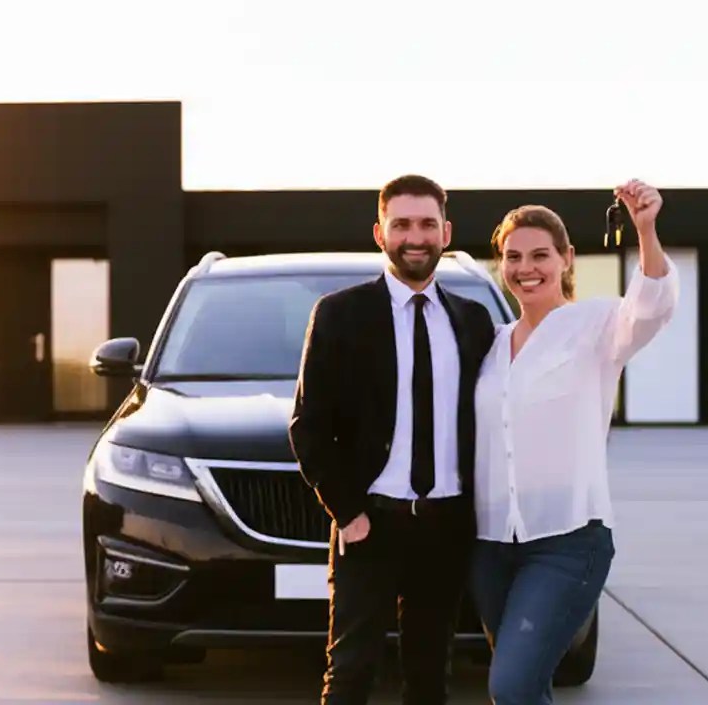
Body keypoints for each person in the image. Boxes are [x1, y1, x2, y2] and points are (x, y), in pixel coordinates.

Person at [290, 174, 497, 705]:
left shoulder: (473, 322)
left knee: (430, 679)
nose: (415, 236)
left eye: (427, 224)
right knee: (351, 674)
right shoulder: (339, 315)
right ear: (379, 233)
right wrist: (348, 513)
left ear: (446, 232)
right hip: (370, 525)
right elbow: (309, 425)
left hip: (446, 527)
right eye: (401, 224)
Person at [470, 180, 678, 704]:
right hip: (491, 545)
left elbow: (651, 304)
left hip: (567, 541)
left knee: (511, 685)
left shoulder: (598, 324)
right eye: (513, 257)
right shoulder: (490, 344)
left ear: (566, 258)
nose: (526, 268)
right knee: (526, 687)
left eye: (541, 255)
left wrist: (646, 228)